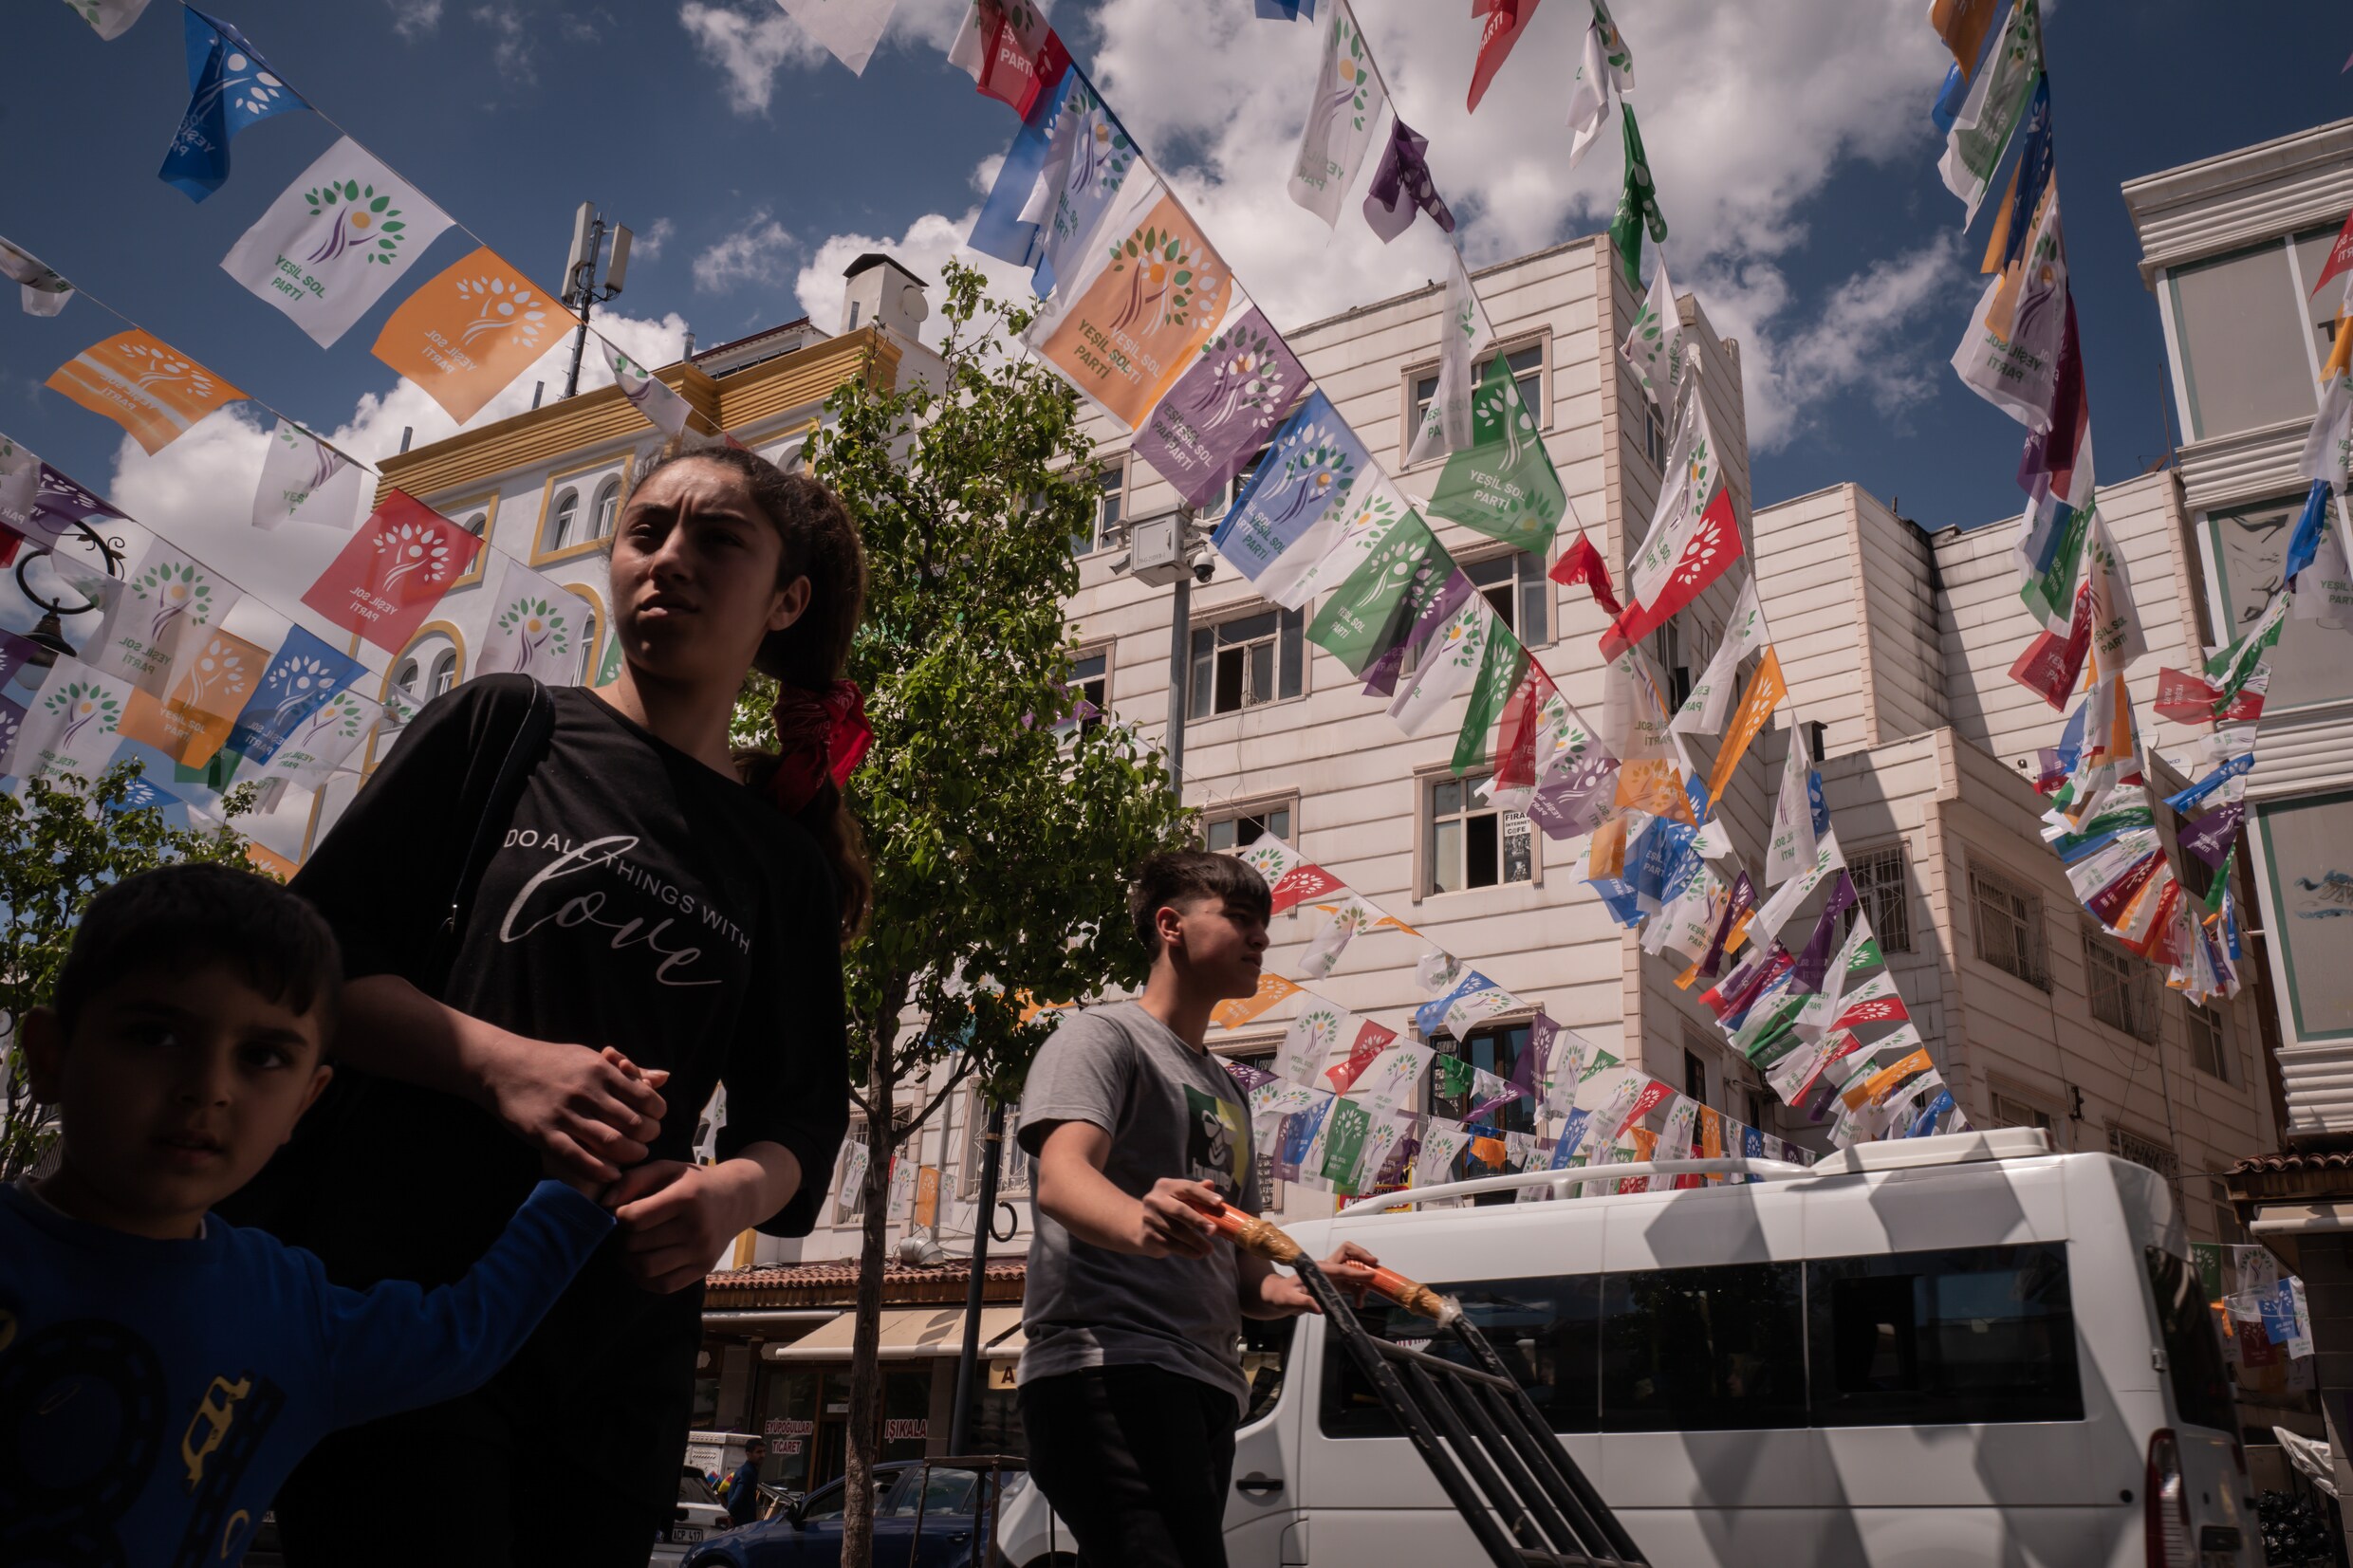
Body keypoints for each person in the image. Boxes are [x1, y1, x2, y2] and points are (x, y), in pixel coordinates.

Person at [236, 442, 864, 1565]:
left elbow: (802, 1117)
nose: (668, 558)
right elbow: (304, 969)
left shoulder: (783, 866)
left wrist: (727, 1193)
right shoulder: (501, 729)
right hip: (406, 1305)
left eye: (718, 539)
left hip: (615, 1357)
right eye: (647, 531)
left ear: (786, 600)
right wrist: (500, 1065)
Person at [0, 864, 619, 1565]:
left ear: (305, 1101)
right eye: (155, 1035)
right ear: (49, 1055)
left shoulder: (291, 1310)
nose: (208, 1088)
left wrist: (573, 1185)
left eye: (262, 1056)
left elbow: (463, 1336)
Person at [1016, 851, 1381, 1568]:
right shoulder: (1102, 1037)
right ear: (1171, 926)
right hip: (1108, 1369)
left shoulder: (1230, 1089)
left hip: (1209, 1384)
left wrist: (1303, 1287)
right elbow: (1061, 1177)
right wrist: (1139, 1219)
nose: (1262, 937)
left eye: (1264, 924)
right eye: (1240, 918)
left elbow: (1241, 1272)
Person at [724, 1438, 769, 1527]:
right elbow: (736, 1499)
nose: (763, 1455)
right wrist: (727, 1515)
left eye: (764, 1451)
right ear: (748, 1454)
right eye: (758, 1452)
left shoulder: (750, 1470)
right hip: (741, 1524)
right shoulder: (747, 1473)